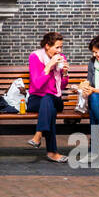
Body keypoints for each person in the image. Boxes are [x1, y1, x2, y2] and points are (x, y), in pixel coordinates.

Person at [27, 32, 69, 163]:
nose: (60, 51)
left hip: (55, 99)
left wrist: (65, 73)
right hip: (36, 99)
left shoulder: (61, 58)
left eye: (61, 47)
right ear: (47, 46)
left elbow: (62, 85)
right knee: (47, 104)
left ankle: (38, 135)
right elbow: (37, 85)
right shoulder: (35, 57)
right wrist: (49, 66)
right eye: (57, 47)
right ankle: (52, 152)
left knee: (48, 101)